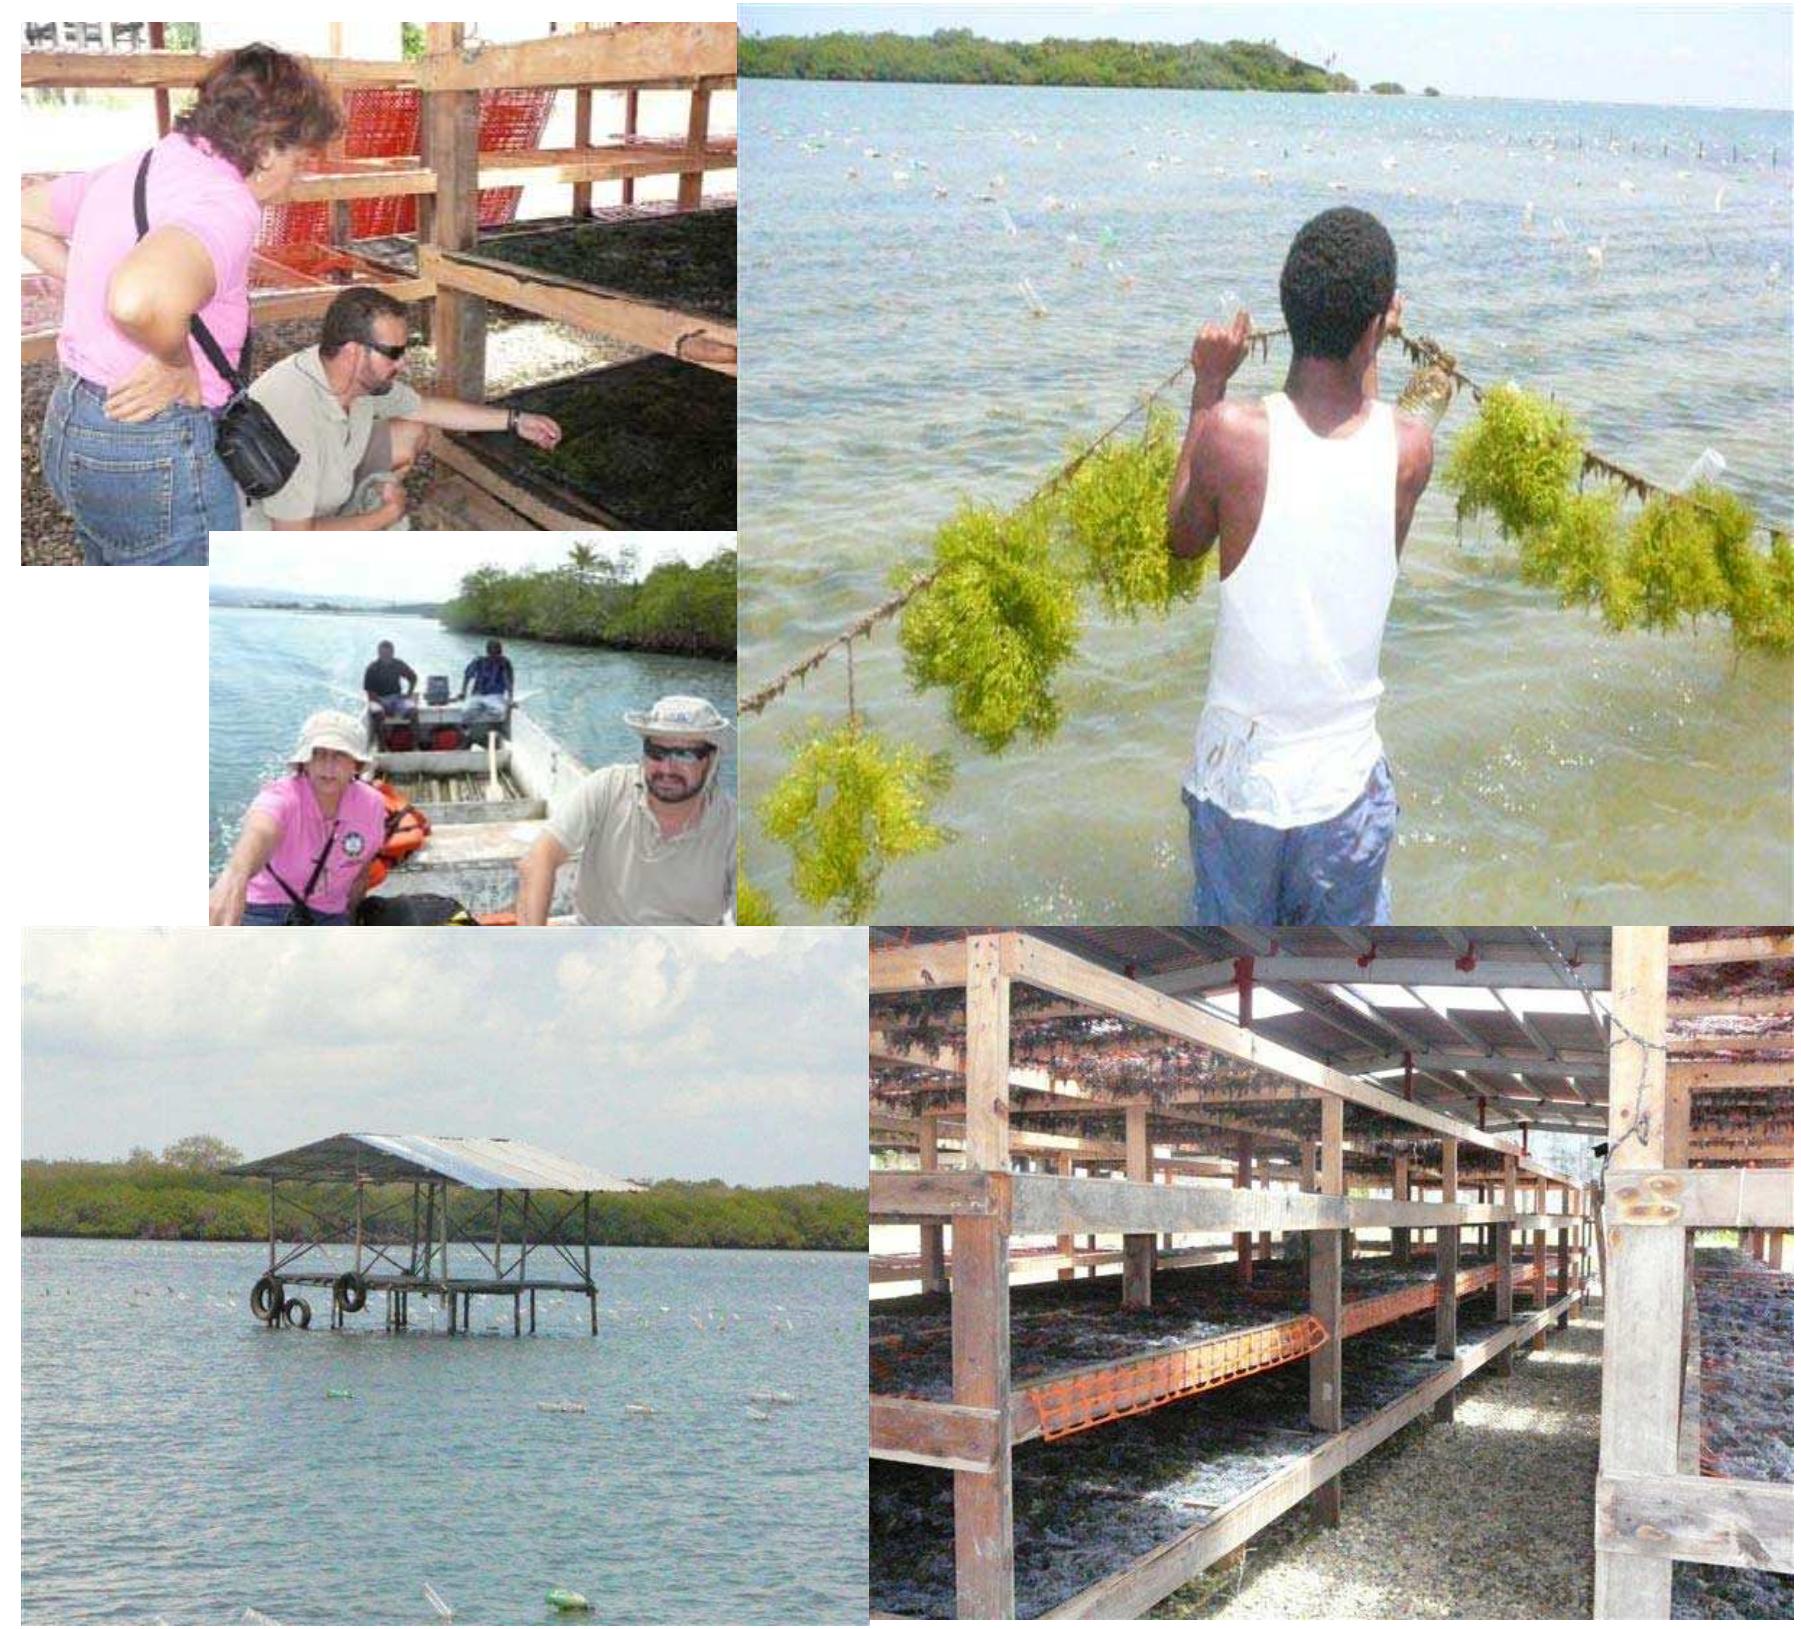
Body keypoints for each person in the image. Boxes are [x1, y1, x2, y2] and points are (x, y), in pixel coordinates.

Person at [1167, 206, 1435, 926]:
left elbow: (1182, 535)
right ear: (1377, 324)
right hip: (1342, 791)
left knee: (1237, 956)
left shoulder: (1232, 435)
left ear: (1286, 307)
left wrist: (1206, 387)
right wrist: (1372, 338)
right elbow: (1355, 450)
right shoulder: (1410, 451)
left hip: (1239, 786)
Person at [25, 44, 342, 565]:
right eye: (300, 159)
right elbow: (137, 298)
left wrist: (92, 278)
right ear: (265, 149)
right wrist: (176, 363)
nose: (297, 179)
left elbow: (21, 213)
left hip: (74, 424)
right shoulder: (224, 203)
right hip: (153, 446)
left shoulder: (146, 164)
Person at [241, 286, 563, 530]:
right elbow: (291, 537)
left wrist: (516, 420)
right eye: (394, 352)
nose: (404, 361)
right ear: (354, 352)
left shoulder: (349, 375)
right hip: (274, 527)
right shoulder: (296, 412)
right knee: (388, 521)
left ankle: (353, 508)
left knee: (412, 432)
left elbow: (424, 408)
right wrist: (385, 515)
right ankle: (360, 520)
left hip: (327, 479)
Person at [515, 696, 735, 926]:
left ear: (711, 760)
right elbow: (539, 859)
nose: (667, 768)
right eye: (656, 752)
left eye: (685, 755)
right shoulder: (608, 788)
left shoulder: (733, 825)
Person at [209, 711, 386, 925]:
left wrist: (352, 921)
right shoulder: (281, 795)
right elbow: (259, 831)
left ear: (355, 765)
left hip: (330, 913)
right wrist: (234, 877)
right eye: (318, 754)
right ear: (305, 762)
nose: (328, 766)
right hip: (264, 907)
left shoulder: (372, 805)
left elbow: (360, 874)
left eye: (339, 755)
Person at [459, 639, 514, 728]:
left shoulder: (504, 663)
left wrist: (510, 698)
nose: (494, 656)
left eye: (496, 653)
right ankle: (467, 730)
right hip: (478, 695)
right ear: (487, 652)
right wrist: (463, 692)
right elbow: (467, 675)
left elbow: (509, 681)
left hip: (495, 695)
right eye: (492, 653)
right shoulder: (479, 661)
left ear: (500, 652)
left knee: (498, 712)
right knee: (465, 711)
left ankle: (489, 728)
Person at [363, 640, 418, 720]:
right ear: (379, 653)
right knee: (378, 713)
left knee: (413, 711)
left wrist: (408, 694)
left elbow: (413, 678)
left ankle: (413, 732)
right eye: (383, 654)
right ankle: (380, 732)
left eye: (388, 654)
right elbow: (370, 694)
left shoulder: (398, 664)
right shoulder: (372, 668)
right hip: (378, 699)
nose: (386, 656)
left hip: (397, 698)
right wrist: (383, 706)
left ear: (393, 653)